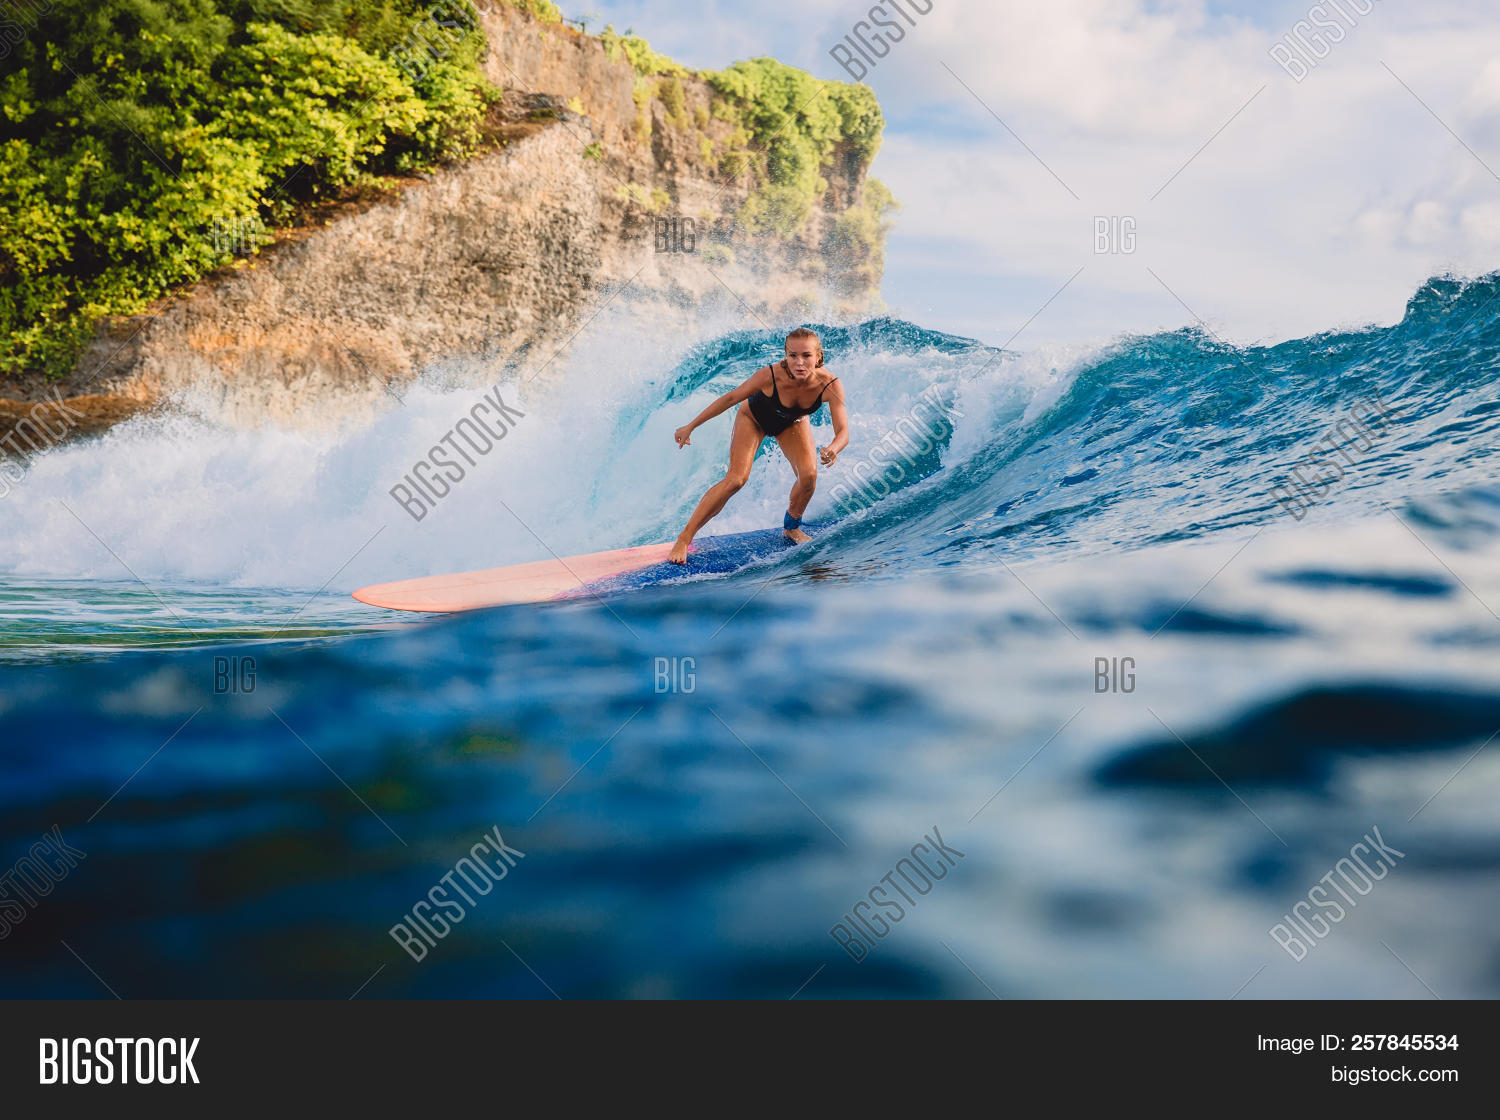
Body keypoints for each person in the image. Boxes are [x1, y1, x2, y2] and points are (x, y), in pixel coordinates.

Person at [669, 327, 849, 564]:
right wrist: (691, 426)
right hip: (753, 419)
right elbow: (732, 398)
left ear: (818, 357)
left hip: (792, 422)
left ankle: (791, 527)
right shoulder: (770, 375)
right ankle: (684, 538)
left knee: (809, 476)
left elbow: (843, 431)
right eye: (792, 355)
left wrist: (834, 448)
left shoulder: (830, 385)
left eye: (806, 355)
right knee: (736, 479)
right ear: (785, 355)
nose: (799, 362)